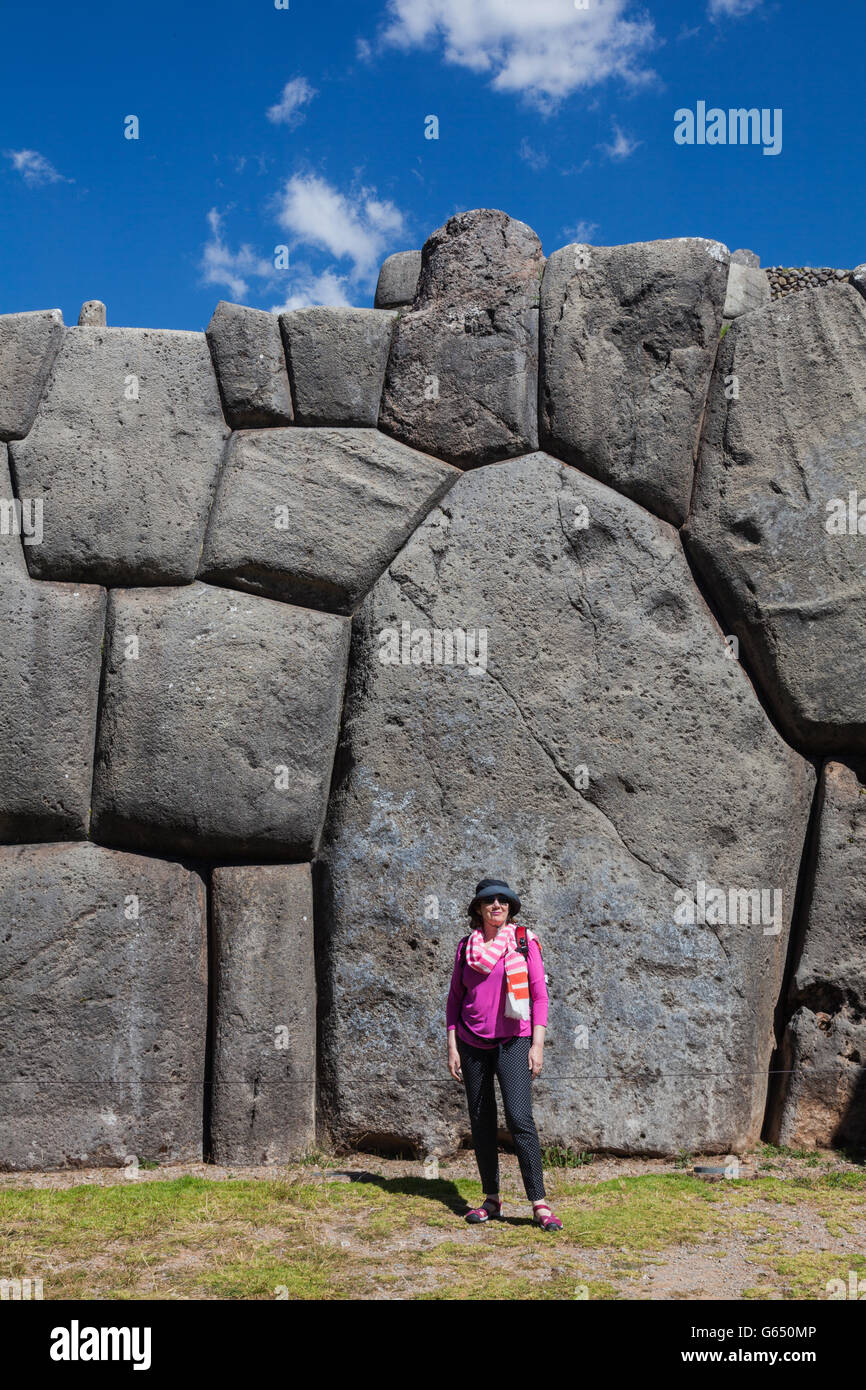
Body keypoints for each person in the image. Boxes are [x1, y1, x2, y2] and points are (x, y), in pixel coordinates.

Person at [446, 876, 563, 1231]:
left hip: (514, 1041)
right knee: (481, 1121)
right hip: (470, 1043)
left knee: (519, 1119)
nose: (497, 905)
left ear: (510, 908)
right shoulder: (467, 947)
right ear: (478, 909)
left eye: (503, 901)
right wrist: (452, 1044)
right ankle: (491, 1199)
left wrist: (538, 1045)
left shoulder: (525, 942)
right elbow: (454, 1000)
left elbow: (540, 997)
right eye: (489, 901)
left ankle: (538, 1203)